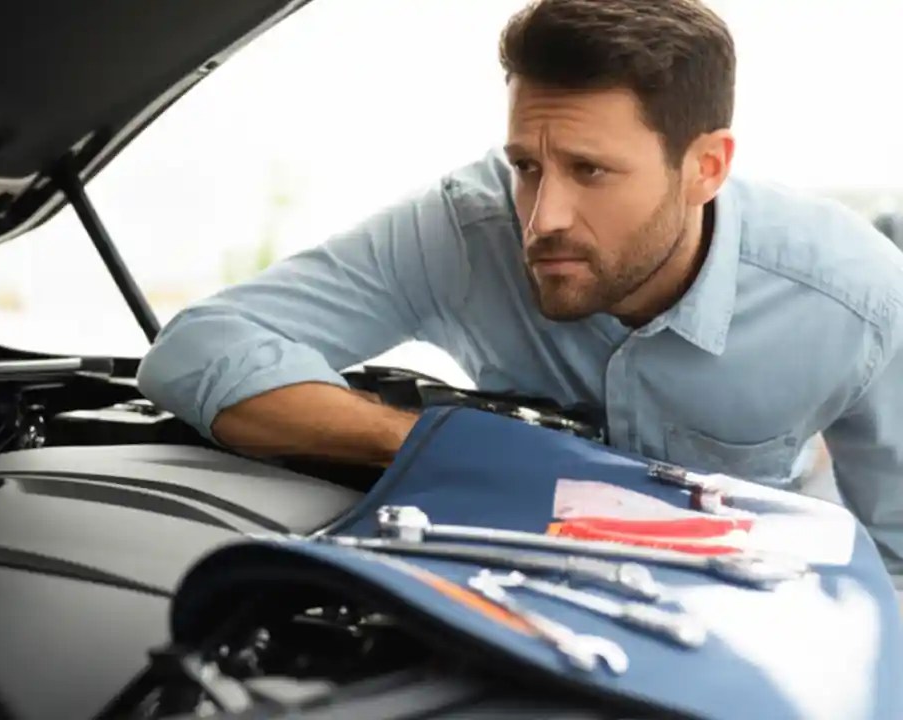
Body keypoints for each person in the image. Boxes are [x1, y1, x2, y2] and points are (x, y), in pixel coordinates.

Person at [136, 0, 903, 581]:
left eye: (590, 170)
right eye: (525, 166)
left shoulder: (857, 302)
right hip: (515, 592)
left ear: (705, 166)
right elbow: (200, 348)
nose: (541, 220)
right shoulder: (466, 229)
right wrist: (444, 445)